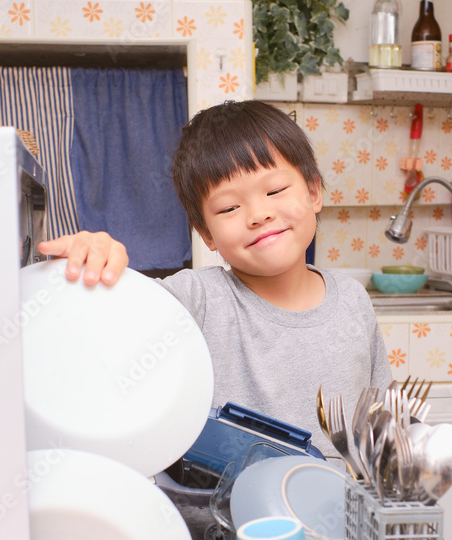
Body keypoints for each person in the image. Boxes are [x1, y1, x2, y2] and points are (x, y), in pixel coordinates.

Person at [38, 100, 393, 458]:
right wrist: (93, 264)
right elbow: (98, 328)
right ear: (206, 233)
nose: (259, 214)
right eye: (229, 208)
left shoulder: (352, 299)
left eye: (274, 191)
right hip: (221, 515)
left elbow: (387, 429)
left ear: (314, 192)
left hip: (341, 511)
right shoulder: (197, 299)